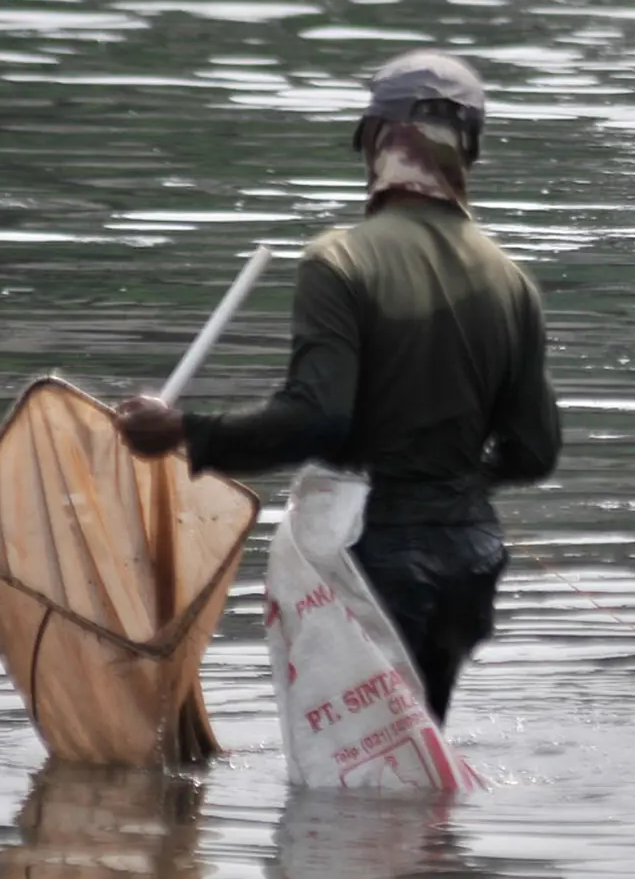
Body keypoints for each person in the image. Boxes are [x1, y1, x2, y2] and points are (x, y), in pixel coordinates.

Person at [114, 50, 560, 723]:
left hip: (374, 555)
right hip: (470, 555)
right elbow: (534, 451)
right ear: (468, 149)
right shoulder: (511, 280)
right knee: (414, 751)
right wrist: (455, 481)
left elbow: (316, 419)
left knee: (365, 760)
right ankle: (436, 836)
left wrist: (182, 432)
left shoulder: (341, 260)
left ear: (377, 139)